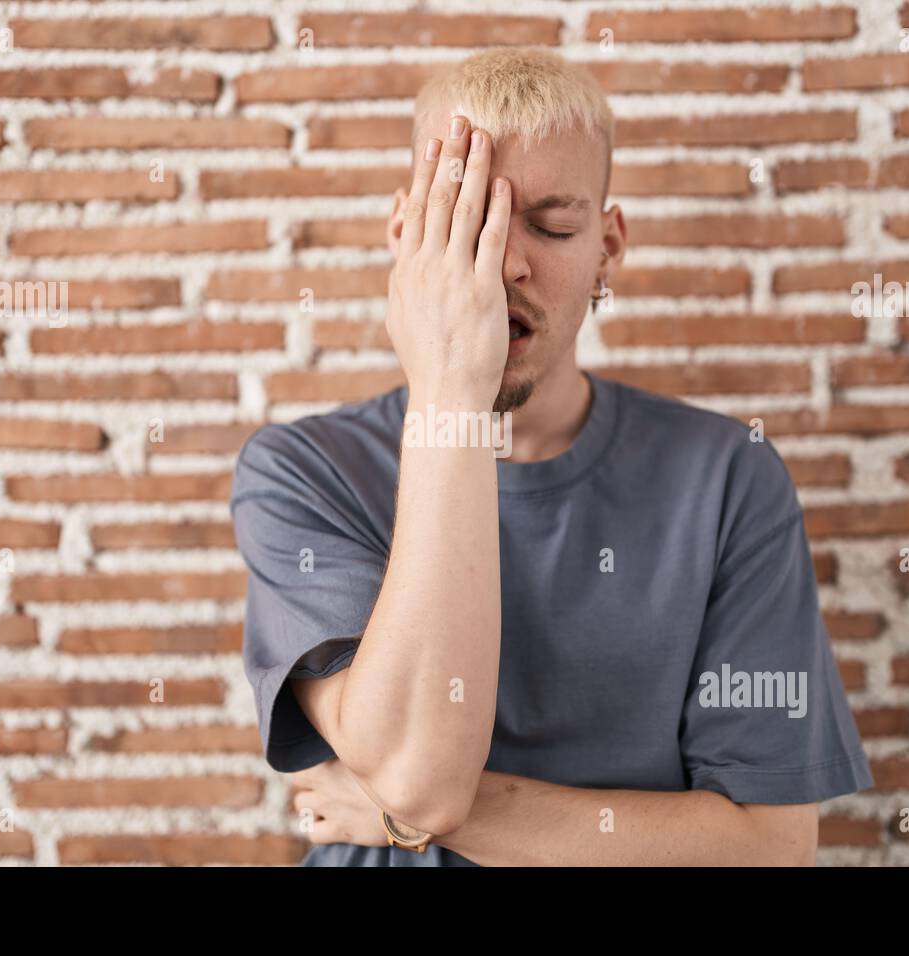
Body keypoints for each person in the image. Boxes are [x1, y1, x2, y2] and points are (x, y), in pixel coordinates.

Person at [230, 46, 874, 867]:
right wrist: (451, 401)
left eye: (553, 224)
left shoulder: (727, 477)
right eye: (462, 220)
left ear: (609, 247)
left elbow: (767, 849)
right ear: (405, 237)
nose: (503, 262)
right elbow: (422, 775)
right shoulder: (301, 471)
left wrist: (401, 813)